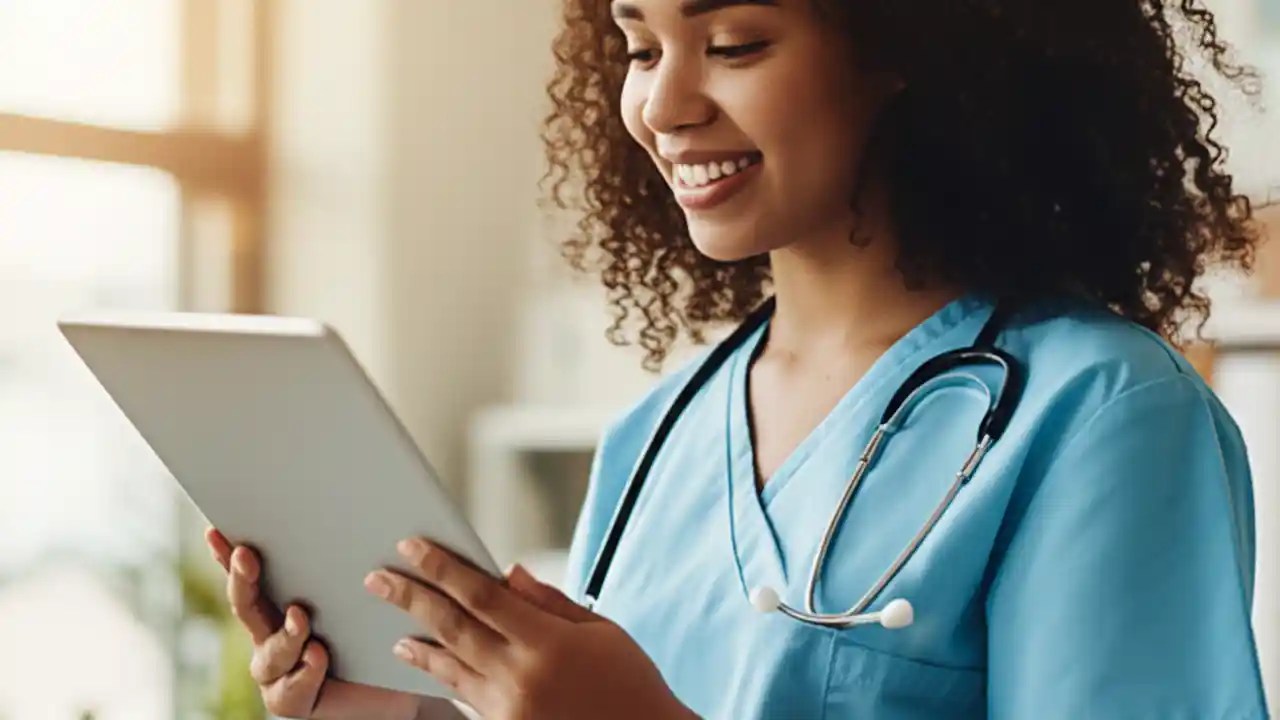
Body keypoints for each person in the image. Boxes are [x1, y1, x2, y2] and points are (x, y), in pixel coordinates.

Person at [207, 0, 1272, 717]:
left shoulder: (1101, 413)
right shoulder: (657, 436)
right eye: (638, 47)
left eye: (732, 45)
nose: (664, 107)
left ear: (904, 45)